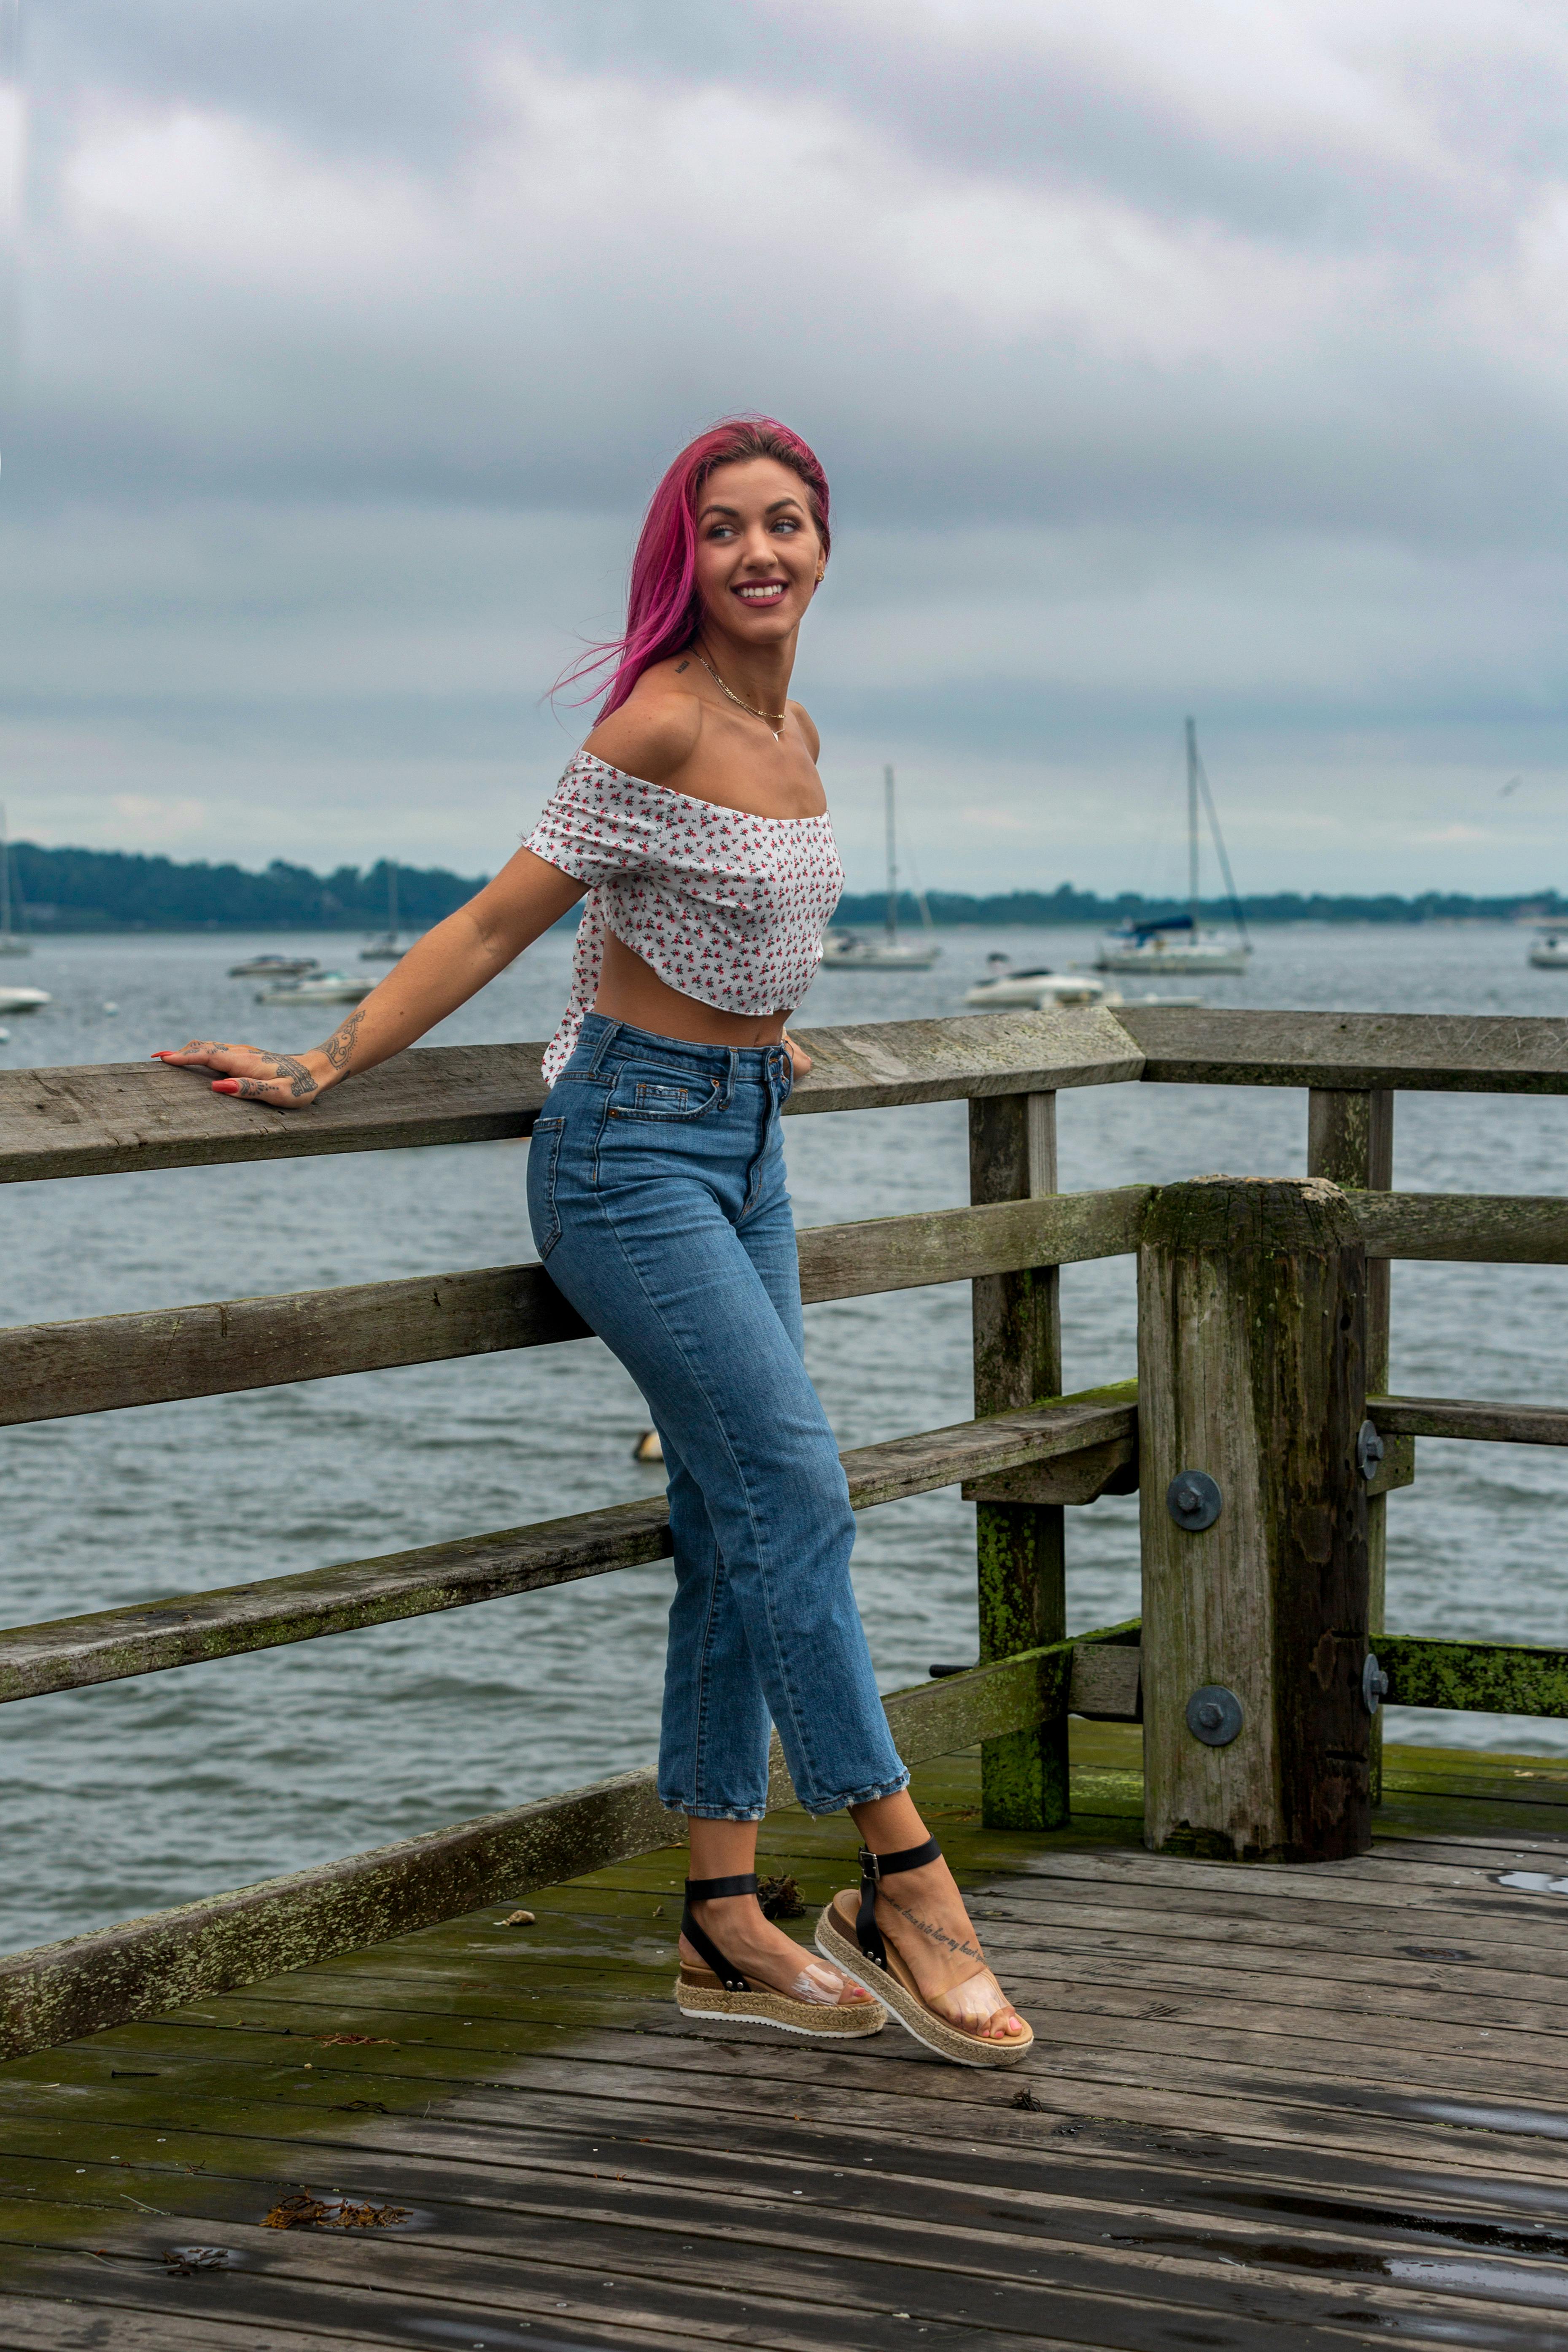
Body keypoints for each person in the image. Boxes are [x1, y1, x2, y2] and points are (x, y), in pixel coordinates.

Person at [154, 417, 1032, 2066]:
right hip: (624, 1156)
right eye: (725, 529)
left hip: (742, 1144)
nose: (760, 551)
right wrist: (329, 1057)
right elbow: (504, 915)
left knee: (731, 1515)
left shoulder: (806, 731)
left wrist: (755, 1035)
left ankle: (718, 1910)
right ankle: (904, 1875)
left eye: (787, 522)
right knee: (798, 1492)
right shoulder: (658, 725)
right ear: (685, 558)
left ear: (827, 548)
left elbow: (720, 929)